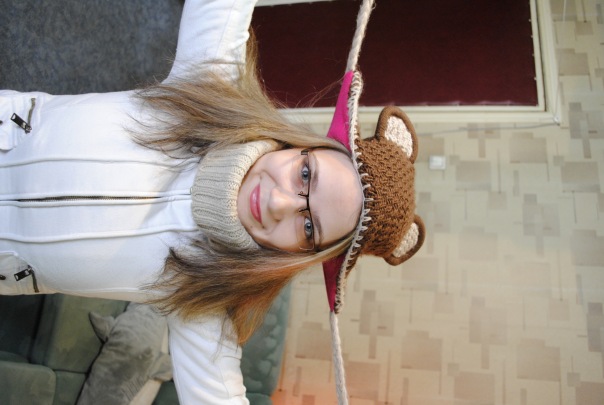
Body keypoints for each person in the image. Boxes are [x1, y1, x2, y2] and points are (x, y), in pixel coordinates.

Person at [1, 0, 424, 403]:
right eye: (305, 174)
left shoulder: (203, 303)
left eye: (308, 225)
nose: (279, 203)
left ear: (301, 254)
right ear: (300, 146)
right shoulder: (210, 86)